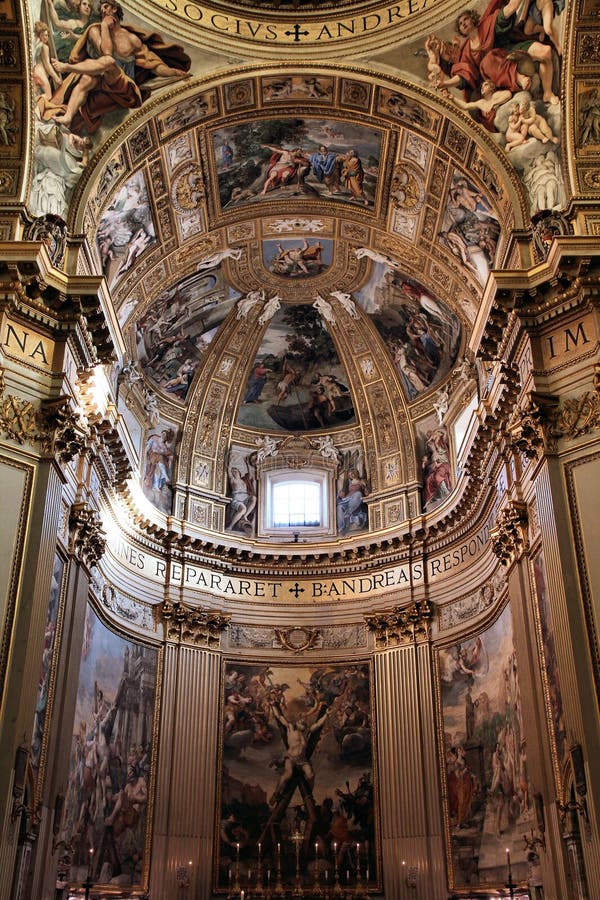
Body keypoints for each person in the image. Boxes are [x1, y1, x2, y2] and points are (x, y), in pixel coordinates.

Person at [39, 1, 191, 134]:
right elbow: (105, 51)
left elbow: (154, 65)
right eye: (102, 8)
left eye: (106, 7)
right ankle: (68, 117)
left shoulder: (132, 39)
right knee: (86, 78)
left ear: (115, 9)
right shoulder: (95, 30)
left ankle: (67, 68)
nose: (103, 11)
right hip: (101, 77)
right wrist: (104, 27)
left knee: (110, 63)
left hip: (123, 85)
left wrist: (174, 72)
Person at [434, 0, 559, 106]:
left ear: (472, 19)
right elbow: (463, 75)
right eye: (460, 24)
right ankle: (519, 79)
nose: (464, 24)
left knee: (546, 52)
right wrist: (445, 83)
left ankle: (548, 93)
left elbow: (510, 9)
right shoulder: (467, 51)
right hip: (494, 70)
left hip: (509, 51)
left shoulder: (487, 24)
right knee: (488, 60)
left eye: (466, 19)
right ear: (460, 30)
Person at [269, 702, 329, 806]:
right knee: (288, 774)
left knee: (311, 775)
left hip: (303, 760)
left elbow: (319, 724)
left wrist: (327, 714)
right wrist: (273, 706)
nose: (302, 720)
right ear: (296, 723)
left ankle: (308, 796)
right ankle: (276, 794)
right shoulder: (290, 728)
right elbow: (279, 717)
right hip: (291, 758)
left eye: (304, 720)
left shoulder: (307, 732)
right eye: (300, 719)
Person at [33, 22, 63, 99]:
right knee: (49, 96)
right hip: (40, 72)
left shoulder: (38, 45)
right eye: (45, 35)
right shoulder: (44, 47)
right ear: (40, 35)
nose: (47, 38)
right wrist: (56, 78)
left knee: (34, 92)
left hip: (35, 71)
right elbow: (47, 65)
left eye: (48, 35)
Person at [337, 469, 368, 533]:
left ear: (356, 473)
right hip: (347, 498)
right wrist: (341, 494)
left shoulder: (361, 481)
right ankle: (341, 527)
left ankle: (349, 512)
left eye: (352, 474)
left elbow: (366, 492)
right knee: (339, 507)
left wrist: (365, 487)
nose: (352, 475)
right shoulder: (350, 482)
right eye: (350, 475)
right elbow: (345, 493)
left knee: (358, 494)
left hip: (356, 498)